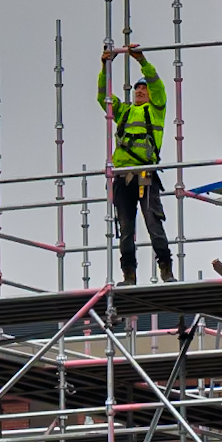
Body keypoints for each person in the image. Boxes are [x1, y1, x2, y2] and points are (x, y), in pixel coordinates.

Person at [98, 46, 174, 285]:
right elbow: (103, 97)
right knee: (126, 227)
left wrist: (141, 60)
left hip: (145, 175)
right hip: (122, 177)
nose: (140, 91)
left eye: (144, 88)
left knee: (153, 222)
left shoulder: (156, 110)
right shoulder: (123, 112)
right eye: (137, 88)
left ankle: (166, 269)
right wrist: (105, 67)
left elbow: (158, 85)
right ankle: (129, 275)